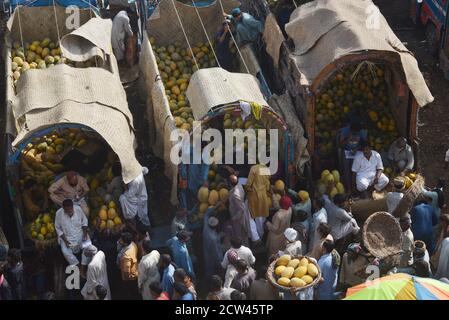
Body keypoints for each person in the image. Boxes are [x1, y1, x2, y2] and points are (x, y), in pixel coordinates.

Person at [55, 199, 89, 266]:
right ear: (63, 208)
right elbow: (58, 229)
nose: (69, 211)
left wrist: (85, 235)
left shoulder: (78, 209)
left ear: (73, 206)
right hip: (67, 238)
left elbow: (84, 221)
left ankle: (83, 266)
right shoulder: (58, 214)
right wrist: (66, 241)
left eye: (70, 209)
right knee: (65, 252)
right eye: (67, 210)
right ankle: (77, 265)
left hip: (80, 235)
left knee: (88, 246)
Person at [245, 164, 271, 240]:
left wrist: (247, 188)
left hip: (253, 196)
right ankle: (261, 235)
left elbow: (248, 184)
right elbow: (268, 185)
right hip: (263, 197)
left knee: (250, 217)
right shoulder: (267, 169)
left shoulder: (254, 168)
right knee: (260, 217)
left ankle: (255, 238)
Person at [339, 122, 367, 190]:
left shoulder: (362, 132)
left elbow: (364, 144)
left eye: (356, 133)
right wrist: (348, 139)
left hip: (357, 152)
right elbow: (340, 144)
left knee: (356, 170)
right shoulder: (345, 131)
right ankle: (349, 188)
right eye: (354, 132)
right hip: (346, 151)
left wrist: (356, 149)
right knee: (347, 170)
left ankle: (356, 187)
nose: (355, 134)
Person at [202, 206, 224, 282]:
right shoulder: (213, 238)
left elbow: (206, 215)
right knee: (212, 271)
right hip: (212, 256)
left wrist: (215, 207)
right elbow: (216, 253)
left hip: (206, 252)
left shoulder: (206, 227)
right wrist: (220, 262)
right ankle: (212, 283)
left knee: (208, 268)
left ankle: (208, 281)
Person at [228, 175, 251, 246]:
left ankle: (243, 251)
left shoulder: (235, 195)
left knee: (240, 235)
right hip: (238, 216)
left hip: (238, 219)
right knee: (242, 235)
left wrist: (234, 218)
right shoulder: (239, 186)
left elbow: (242, 209)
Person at [117, 231, 139, 299]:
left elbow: (126, 272)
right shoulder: (132, 244)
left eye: (121, 240)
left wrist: (125, 281)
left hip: (129, 279)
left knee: (130, 293)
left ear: (125, 243)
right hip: (134, 272)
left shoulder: (127, 255)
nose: (119, 241)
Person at [432, 214, 449, 279]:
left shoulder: (447, 231)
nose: (440, 223)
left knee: (444, 266)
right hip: (442, 249)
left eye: (442, 222)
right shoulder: (442, 229)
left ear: (445, 222)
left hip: (445, 250)